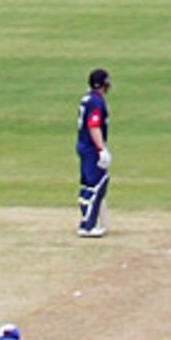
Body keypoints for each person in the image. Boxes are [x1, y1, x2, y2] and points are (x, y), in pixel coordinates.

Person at [76, 65, 111, 237]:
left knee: (87, 185)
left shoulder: (87, 98)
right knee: (97, 184)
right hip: (91, 148)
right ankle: (87, 225)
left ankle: (87, 221)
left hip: (83, 145)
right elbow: (93, 125)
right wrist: (101, 149)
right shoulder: (97, 101)